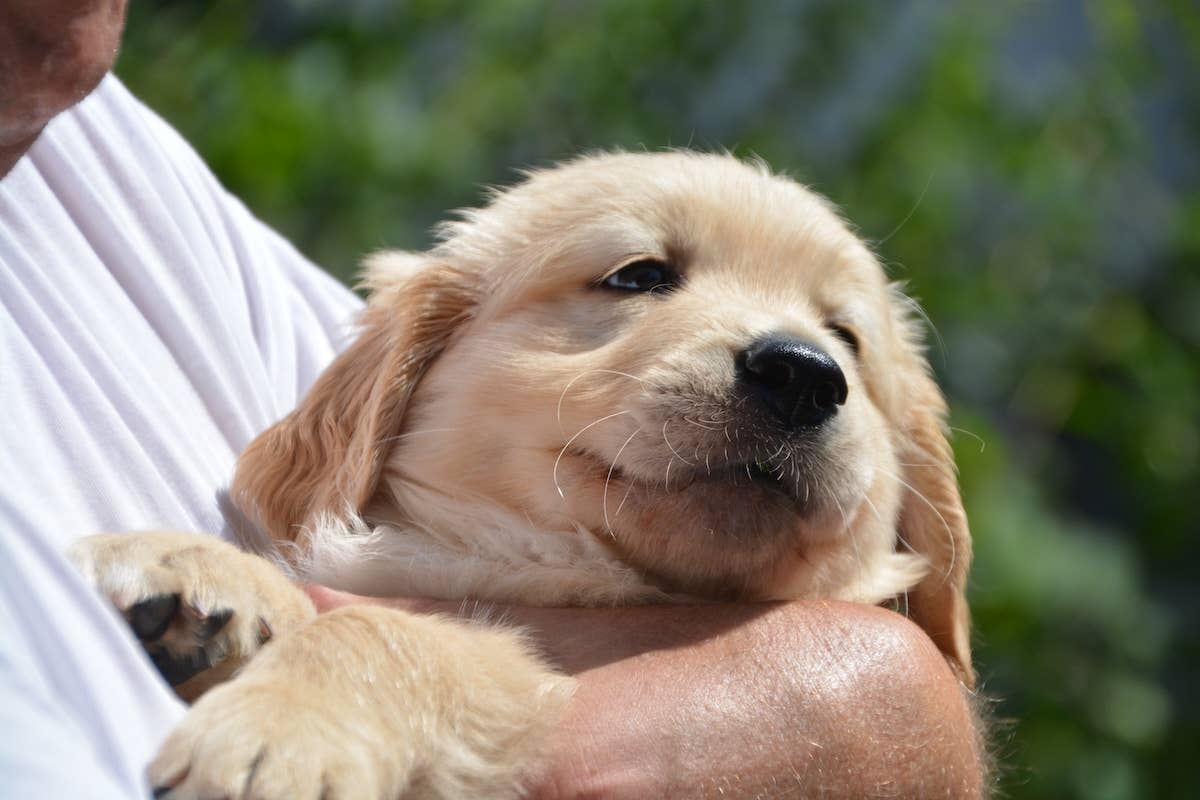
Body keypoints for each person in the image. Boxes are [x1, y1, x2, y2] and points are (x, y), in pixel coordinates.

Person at [0, 3, 984, 797]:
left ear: (924, 520)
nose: (802, 367)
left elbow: (912, 699)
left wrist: (902, 689)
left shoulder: (118, 197)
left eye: (846, 343)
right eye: (639, 275)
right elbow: (310, 534)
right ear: (398, 376)